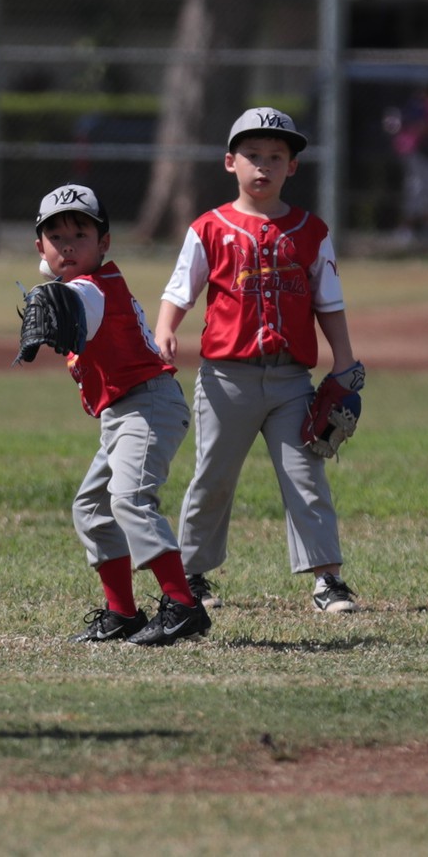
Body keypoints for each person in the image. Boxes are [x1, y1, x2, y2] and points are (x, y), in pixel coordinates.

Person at [154, 107, 365, 614]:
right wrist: (165, 329)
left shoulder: (311, 231)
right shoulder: (209, 228)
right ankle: (192, 575)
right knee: (214, 476)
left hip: (292, 380)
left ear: (292, 166)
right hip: (226, 379)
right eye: (252, 155)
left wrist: (345, 361)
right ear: (231, 162)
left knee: (306, 475)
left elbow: (328, 302)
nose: (263, 165)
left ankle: (328, 579)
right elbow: (180, 290)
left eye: (275, 156)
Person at [21, 183, 210, 646]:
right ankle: (122, 613)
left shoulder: (92, 288)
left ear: (104, 243)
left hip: (149, 405)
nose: (68, 245)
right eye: (56, 237)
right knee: (91, 509)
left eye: (80, 235)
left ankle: (183, 605)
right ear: (40, 247)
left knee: (129, 499)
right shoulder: (79, 285)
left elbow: (81, 301)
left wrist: (58, 295)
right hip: (123, 413)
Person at [385, 86, 428, 240]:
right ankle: (405, 229)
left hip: (427, 154)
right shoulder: (415, 105)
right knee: (416, 188)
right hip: (414, 153)